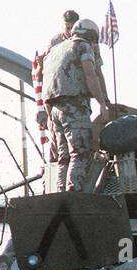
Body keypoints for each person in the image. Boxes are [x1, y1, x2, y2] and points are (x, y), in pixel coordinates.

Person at [41, 17, 113, 192]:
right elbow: (90, 74)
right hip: (74, 107)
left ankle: (60, 194)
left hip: (54, 109)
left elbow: (45, 81)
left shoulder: (55, 50)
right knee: (80, 154)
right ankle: (74, 194)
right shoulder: (82, 46)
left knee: (63, 157)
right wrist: (102, 103)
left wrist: (49, 114)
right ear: (89, 35)